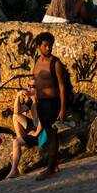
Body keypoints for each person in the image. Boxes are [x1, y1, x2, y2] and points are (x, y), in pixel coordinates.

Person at [32, 33, 68, 179]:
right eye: (45, 45)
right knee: (47, 133)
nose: (48, 48)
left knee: (52, 134)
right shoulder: (37, 61)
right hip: (41, 103)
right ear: (38, 46)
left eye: (50, 45)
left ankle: (50, 169)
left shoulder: (55, 63)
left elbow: (62, 86)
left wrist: (62, 108)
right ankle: (54, 165)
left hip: (52, 103)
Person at [7, 80, 42, 178]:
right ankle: (22, 141)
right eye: (28, 86)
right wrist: (18, 97)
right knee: (15, 116)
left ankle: (14, 171)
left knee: (16, 142)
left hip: (41, 130)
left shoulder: (41, 100)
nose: (29, 88)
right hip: (35, 126)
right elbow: (16, 111)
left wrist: (36, 133)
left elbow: (44, 119)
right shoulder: (31, 101)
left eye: (32, 86)